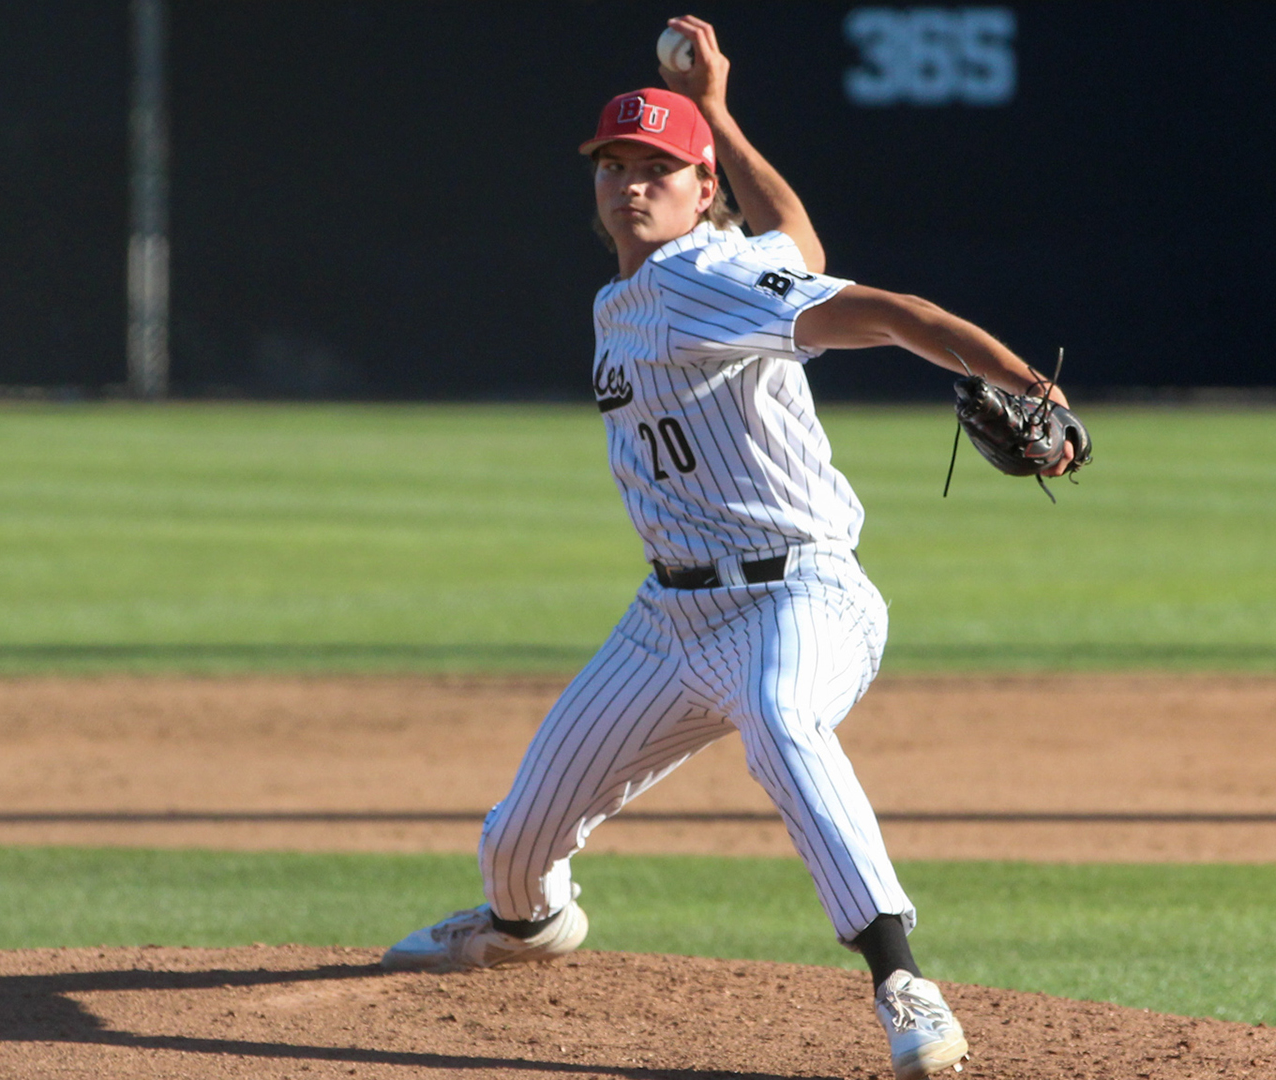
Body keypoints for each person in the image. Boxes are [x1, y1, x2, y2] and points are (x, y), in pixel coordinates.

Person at [380, 16, 1077, 1080]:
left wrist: (1031, 387)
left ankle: (901, 980)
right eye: (616, 164)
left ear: (699, 191)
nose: (631, 184)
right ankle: (526, 927)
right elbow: (798, 234)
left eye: (659, 168)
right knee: (515, 844)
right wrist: (714, 108)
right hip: (670, 622)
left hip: (803, 595)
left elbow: (893, 312)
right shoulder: (663, 284)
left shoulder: (703, 283)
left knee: (781, 716)